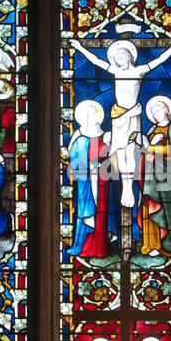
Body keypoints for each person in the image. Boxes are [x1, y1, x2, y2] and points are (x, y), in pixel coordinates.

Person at [69, 37, 171, 210]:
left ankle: (129, 189)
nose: (120, 61)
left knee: (132, 150)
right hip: (118, 116)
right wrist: (80, 47)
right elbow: (96, 60)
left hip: (133, 115)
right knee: (119, 152)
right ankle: (125, 188)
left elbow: (159, 60)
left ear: (130, 57)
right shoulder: (116, 72)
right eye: (117, 59)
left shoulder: (139, 71)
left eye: (122, 57)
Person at [138, 96, 171, 257]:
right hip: (151, 175)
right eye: (153, 112)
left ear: (166, 110)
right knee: (150, 205)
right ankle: (152, 244)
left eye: (158, 110)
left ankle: (170, 243)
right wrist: (144, 147)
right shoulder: (152, 130)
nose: (156, 114)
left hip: (167, 174)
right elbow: (145, 151)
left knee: (167, 207)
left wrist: (150, 146)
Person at [67, 99, 111, 258]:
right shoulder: (79, 134)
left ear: (99, 116)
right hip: (85, 179)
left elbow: (111, 159)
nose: (91, 116)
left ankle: (103, 243)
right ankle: (82, 243)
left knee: (103, 209)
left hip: (103, 179)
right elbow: (72, 155)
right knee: (86, 209)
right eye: (88, 114)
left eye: (94, 113)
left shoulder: (105, 135)